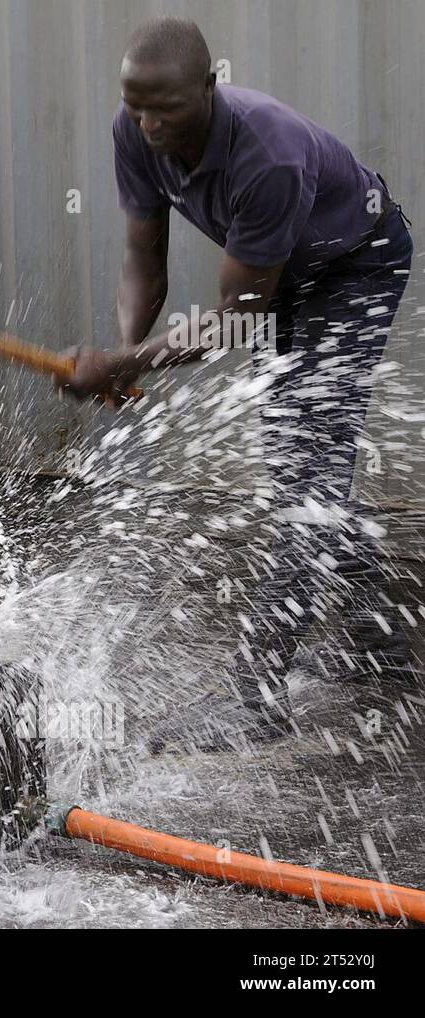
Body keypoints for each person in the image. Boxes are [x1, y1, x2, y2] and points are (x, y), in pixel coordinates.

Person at [61, 17, 417, 751]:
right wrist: (128, 351)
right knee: (300, 465)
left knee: (306, 477)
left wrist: (125, 366)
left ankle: (255, 697)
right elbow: (142, 256)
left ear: (208, 89)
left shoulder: (268, 156)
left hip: (354, 268)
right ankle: (379, 646)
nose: (150, 124)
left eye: (167, 107)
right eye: (136, 107)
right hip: (284, 275)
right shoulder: (134, 132)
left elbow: (233, 318)